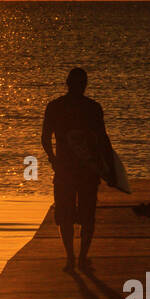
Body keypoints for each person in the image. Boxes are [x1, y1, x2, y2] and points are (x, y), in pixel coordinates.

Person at [41, 67, 116, 269]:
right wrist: (108, 167)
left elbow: (45, 138)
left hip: (71, 169)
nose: (80, 87)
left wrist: (52, 159)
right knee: (82, 215)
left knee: (70, 215)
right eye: (80, 84)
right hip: (81, 169)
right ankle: (78, 258)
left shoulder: (56, 107)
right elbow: (102, 140)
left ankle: (73, 258)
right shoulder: (91, 108)